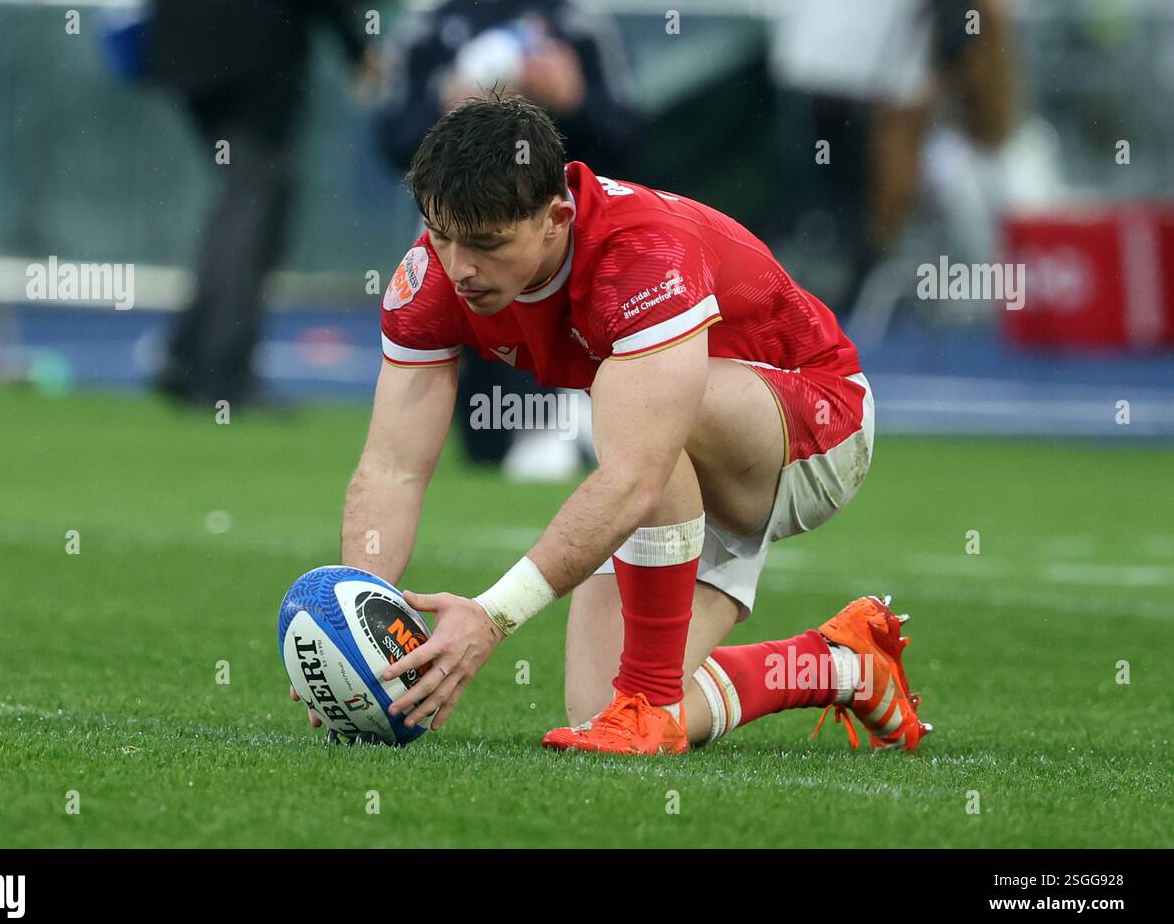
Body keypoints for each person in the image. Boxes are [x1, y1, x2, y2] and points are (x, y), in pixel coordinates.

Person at [296, 92, 932, 756]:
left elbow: (634, 477)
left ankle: (648, 705)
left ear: (555, 218)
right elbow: (392, 468)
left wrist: (490, 617)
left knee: (628, 414)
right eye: (443, 234)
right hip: (671, 447)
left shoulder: (641, 254)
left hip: (816, 423)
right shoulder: (432, 276)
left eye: (486, 244)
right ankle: (843, 664)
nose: (460, 268)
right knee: (596, 710)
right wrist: (355, 625)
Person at [375, 0, 639, 477]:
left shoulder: (574, 22)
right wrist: (452, 111)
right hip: (466, 230)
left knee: (548, 308)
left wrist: (573, 100)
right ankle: (562, 421)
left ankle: (575, 410)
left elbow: (627, 135)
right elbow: (393, 139)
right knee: (485, 447)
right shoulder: (431, 25)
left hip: (560, 230)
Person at [149, 0, 368, 407]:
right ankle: (222, 372)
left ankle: (189, 355)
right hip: (252, 49)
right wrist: (355, 44)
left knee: (244, 194)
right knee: (254, 199)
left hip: (186, 43)